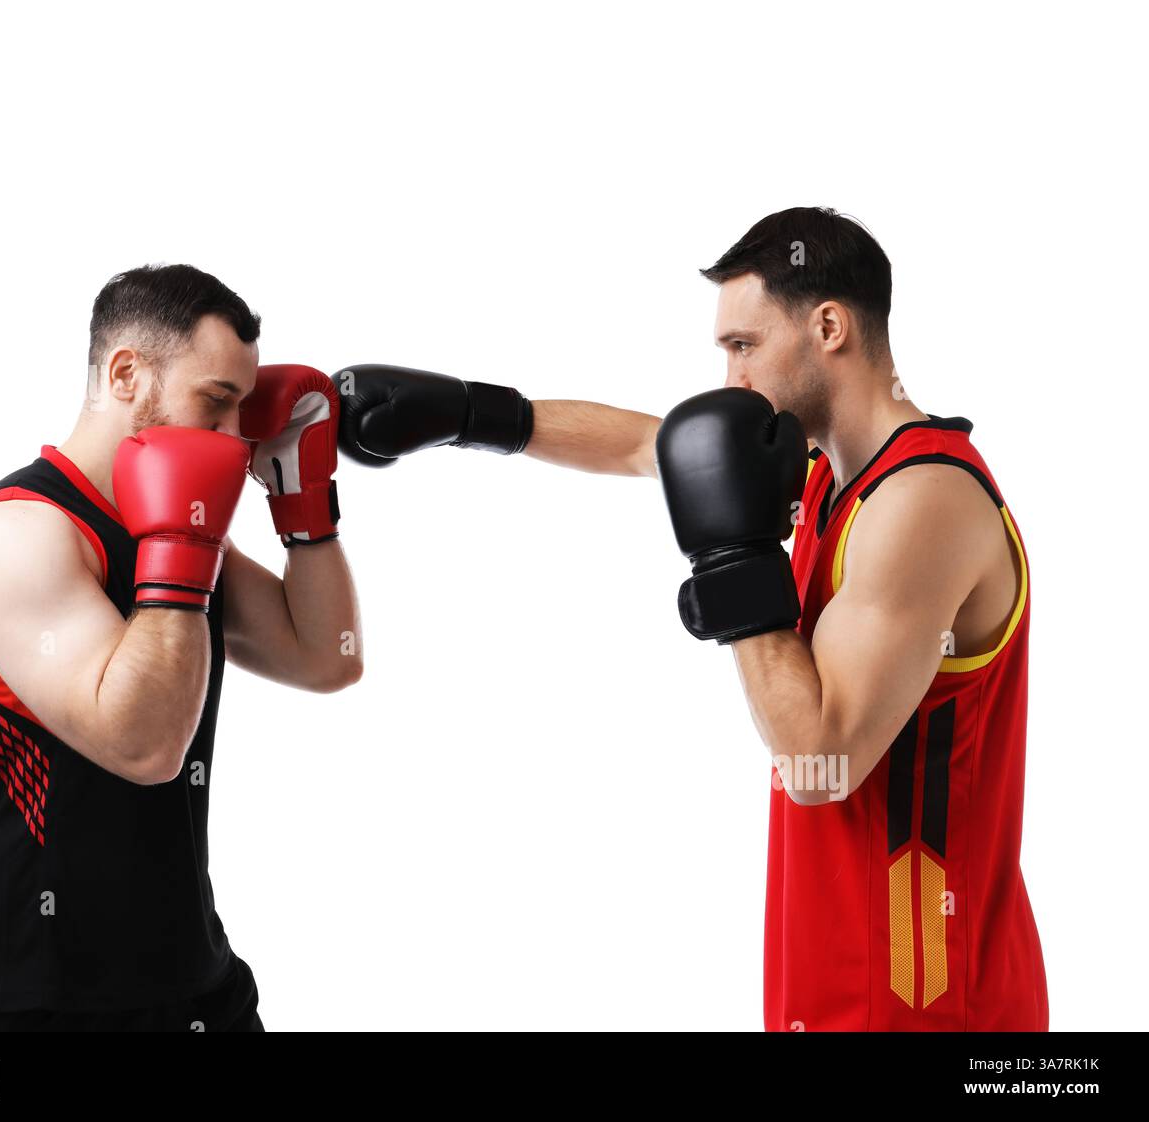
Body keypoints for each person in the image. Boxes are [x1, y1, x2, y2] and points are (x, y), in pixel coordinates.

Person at [332, 207, 1047, 1031]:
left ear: (828, 326)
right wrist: (471, 416)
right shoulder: (825, 474)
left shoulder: (922, 500)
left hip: (929, 1000)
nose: (731, 378)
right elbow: (653, 445)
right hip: (829, 980)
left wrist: (735, 562)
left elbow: (823, 761)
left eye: (743, 346)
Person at [0, 264, 361, 1031]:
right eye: (217, 402)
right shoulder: (14, 535)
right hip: (40, 1000)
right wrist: (185, 543)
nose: (235, 438)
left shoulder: (173, 534)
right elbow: (145, 743)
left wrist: (304, 504)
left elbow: (326, 657)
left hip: (201, 984)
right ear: (126, 373)